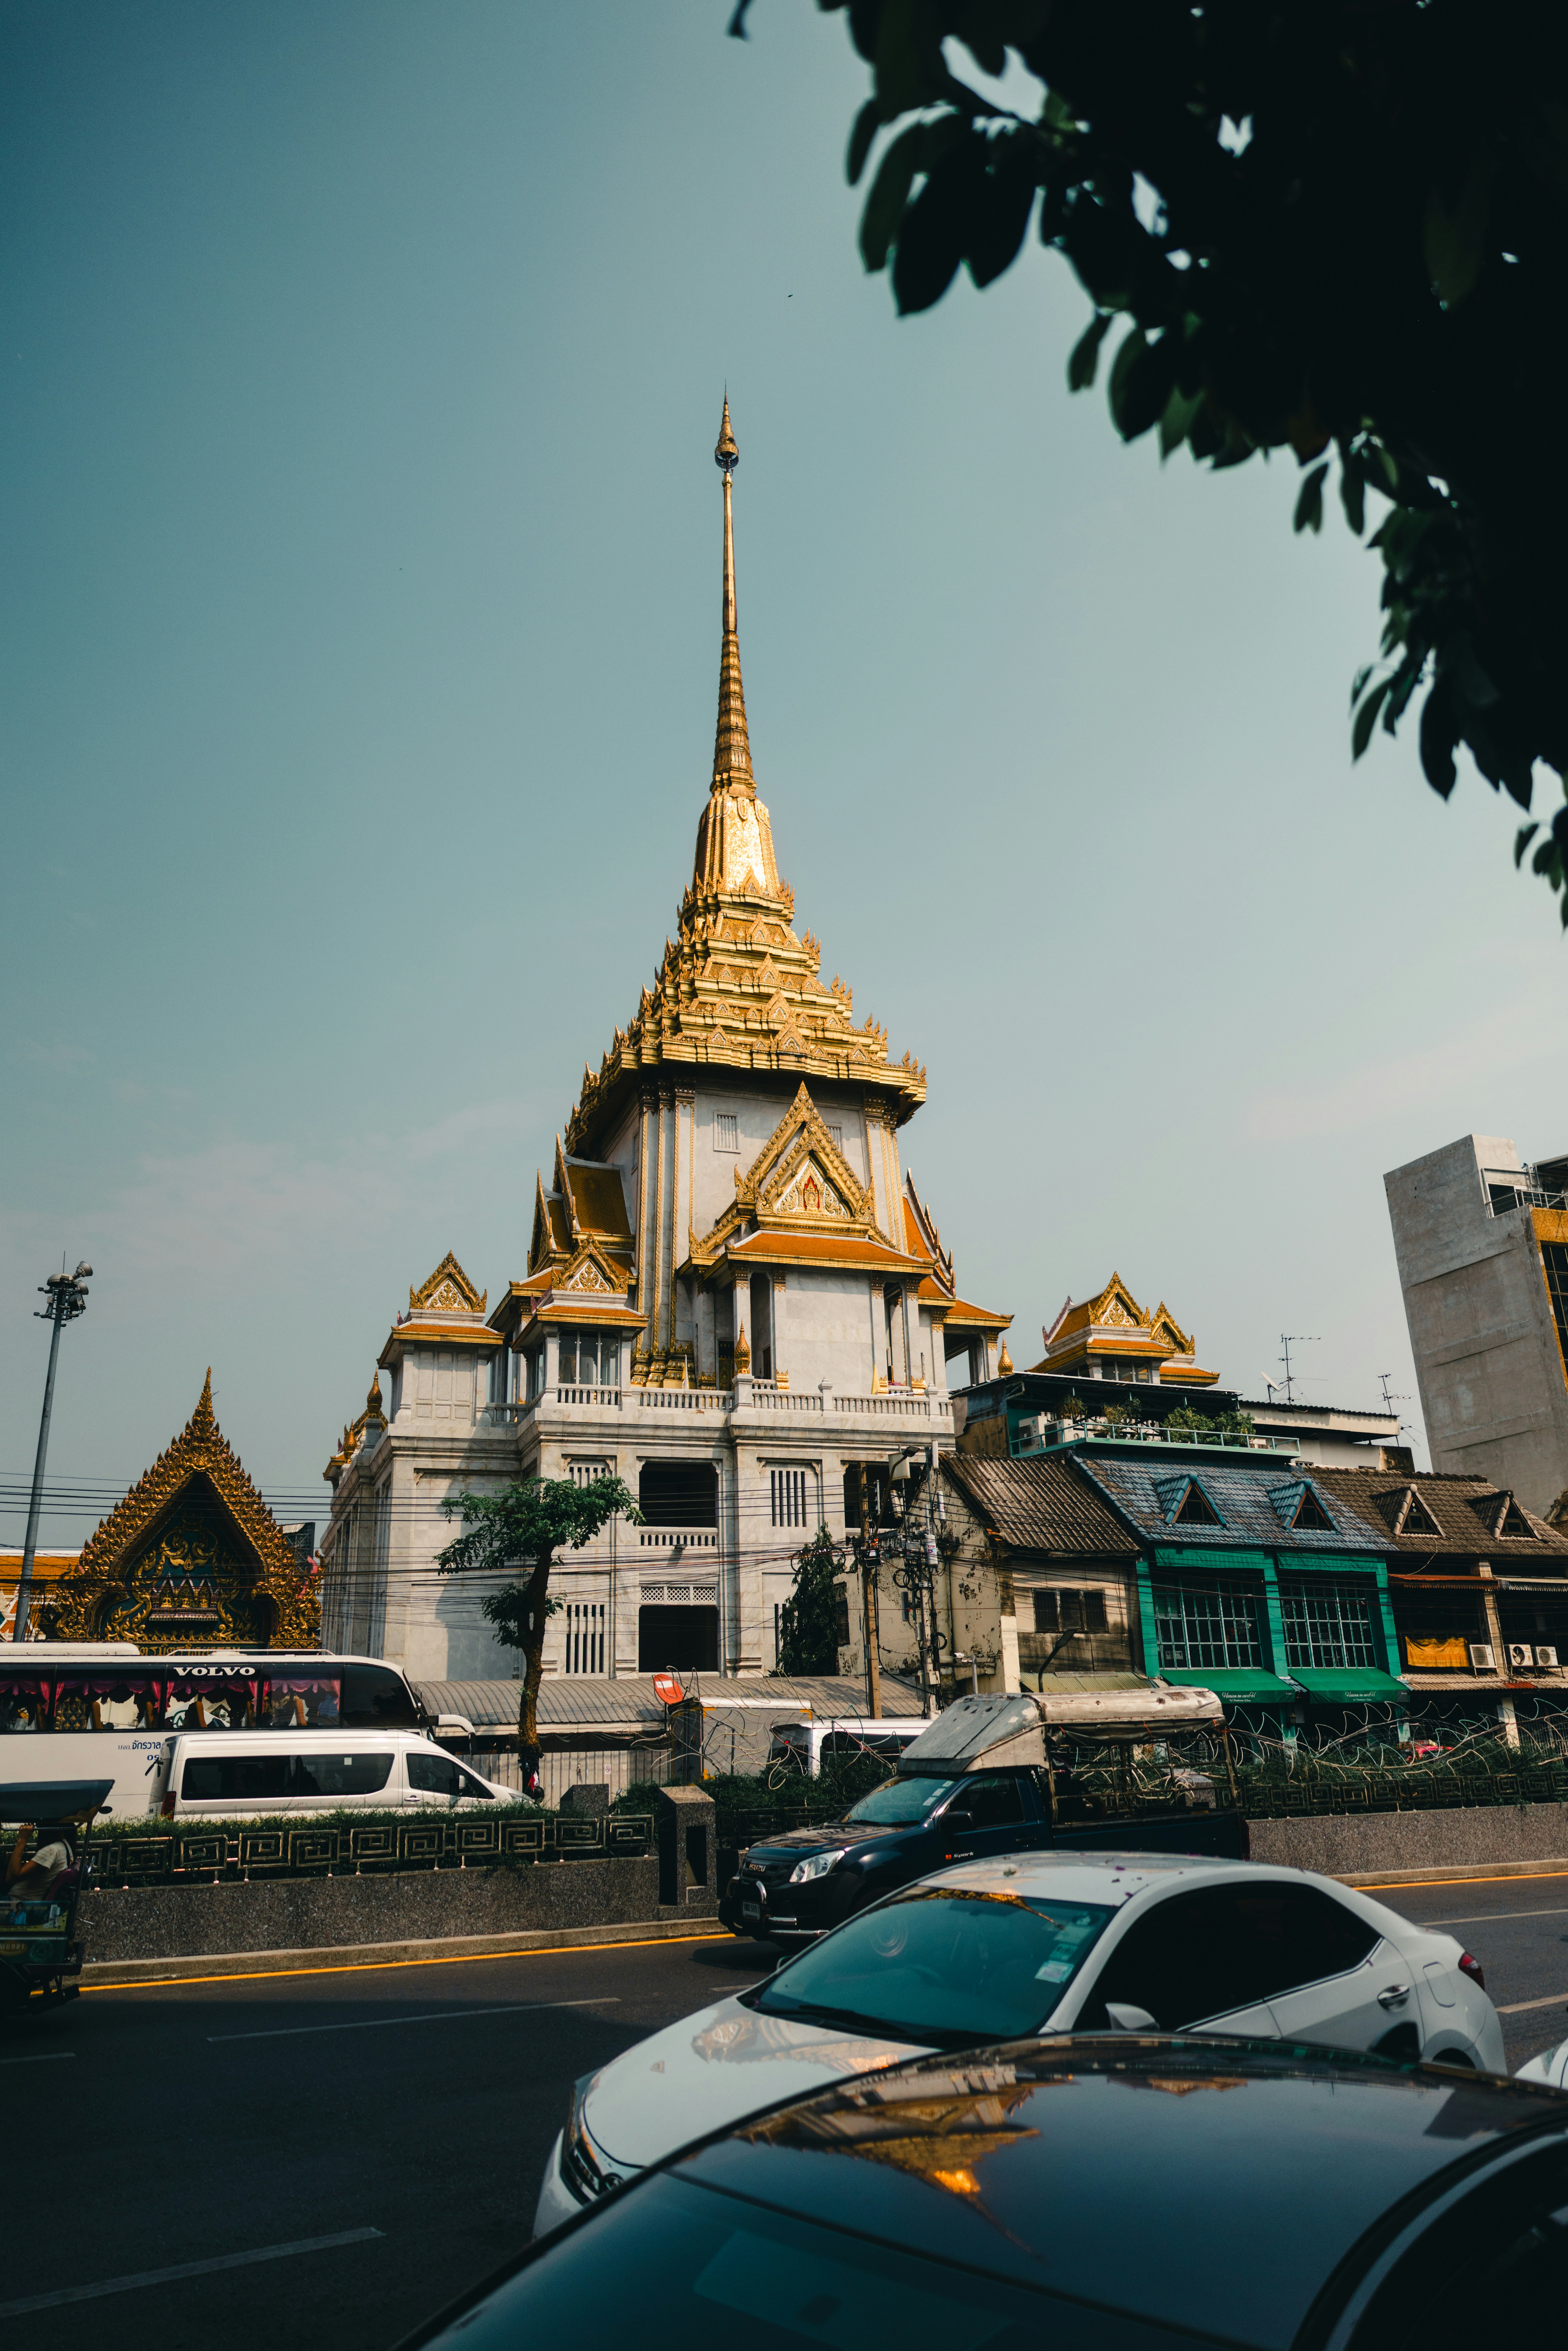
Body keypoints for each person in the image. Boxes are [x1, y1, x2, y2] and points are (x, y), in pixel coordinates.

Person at [5, 1821, 75, 1905]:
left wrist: (22, 1840)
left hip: (16, 1905)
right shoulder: (65, 1847)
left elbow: (12, 1877)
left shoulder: (52, 1851)